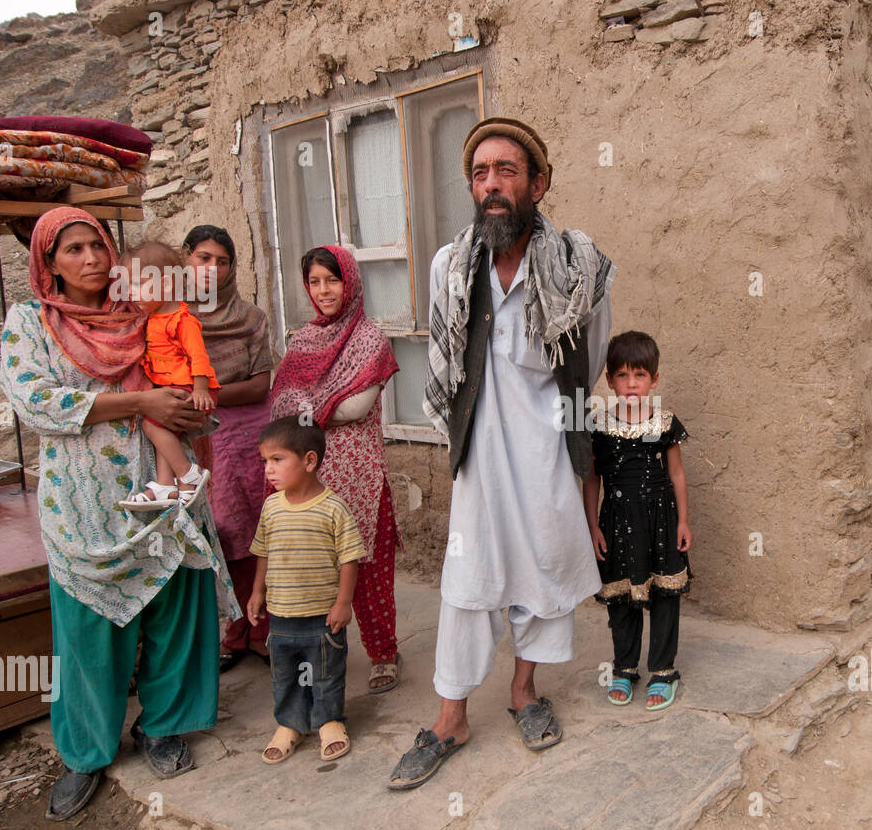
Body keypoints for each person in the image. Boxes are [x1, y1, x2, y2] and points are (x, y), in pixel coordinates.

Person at [389, 117, 614, 790]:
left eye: (506, 171)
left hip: (545, 451)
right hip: (480, 458)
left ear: (537, 183)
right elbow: (447, 359)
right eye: (481, 172)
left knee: (547, 574)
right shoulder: (452, 266)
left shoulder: (578, 265)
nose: (491, 184)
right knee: (467, 582)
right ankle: (449, 716)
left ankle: (524, 691)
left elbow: (592, 357)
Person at [0, 207, 237, 821]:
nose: (92, 259)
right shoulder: (31, 323)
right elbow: (39, 401)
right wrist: (137, 400)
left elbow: (188, 371)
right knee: (87, 634)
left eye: (98, 245)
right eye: (73, 250)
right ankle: (84, 752)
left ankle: (163, 726)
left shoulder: (143, 310)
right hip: (83, 506)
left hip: (163, 493)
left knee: (175, 611)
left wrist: (185, 409)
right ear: (48, 263)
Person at [269, 245, 404, 694]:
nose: (324, 290)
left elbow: (355, 406)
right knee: (314, 569)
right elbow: (280, 403)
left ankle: (384, 653)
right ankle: (322, 657)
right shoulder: (302, 341)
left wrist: (305, 404)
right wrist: (318, 404)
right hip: (311, 476)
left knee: (367, 570)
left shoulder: (370, 340)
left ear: (350, 282)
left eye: (333, 280)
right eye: (314, 282)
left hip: (360, 476)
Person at [178, 225, 275, 673]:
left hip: (248, 435)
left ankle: (264, 631)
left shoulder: (251, 318)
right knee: (221, 533)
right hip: (196, 436)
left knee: (259, 531)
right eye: (203, 257)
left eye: (222, 260)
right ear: (185, 260)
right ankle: (235, 631)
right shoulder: (172, 318)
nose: (212, 268)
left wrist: (205, 395)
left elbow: (260, 384)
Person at [582, 331, 692, 710]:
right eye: (623, 376)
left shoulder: (664, 423)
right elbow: (592, 478)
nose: (632, 384)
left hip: (661, 519)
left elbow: (676, 474)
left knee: (664, 594)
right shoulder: (597, 425)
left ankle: (663, 671)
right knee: (621, 597)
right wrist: (592, 526)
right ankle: (625, 668)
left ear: (654, 380)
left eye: (640, 375)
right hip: (615, 520)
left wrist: (683, 522)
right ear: (610, 380)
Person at [246, 416, 365, 763]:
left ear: (309, 461)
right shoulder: (271, 507)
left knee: (326, 672)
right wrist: (257, 592)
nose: (268, 469)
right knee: (285, 675)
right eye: (265, 461)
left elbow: (350, 559)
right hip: (282, 616)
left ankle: (329, 721)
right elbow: (263, 552)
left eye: (277, 459)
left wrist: (344, 603)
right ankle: (290, 724)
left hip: (322, 617)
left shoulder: (333, 509)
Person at [118, 241, 216, 510]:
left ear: (168, 284)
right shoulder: (152, 319)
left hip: (187, 385)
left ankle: (188, 474)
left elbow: (199, 356)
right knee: (164, 429)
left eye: (138, 284)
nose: (131, 293)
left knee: (152, 425)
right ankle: (166, 485)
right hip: (169, 384)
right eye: (129, 286)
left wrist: (200, 389)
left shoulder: (183, 320)